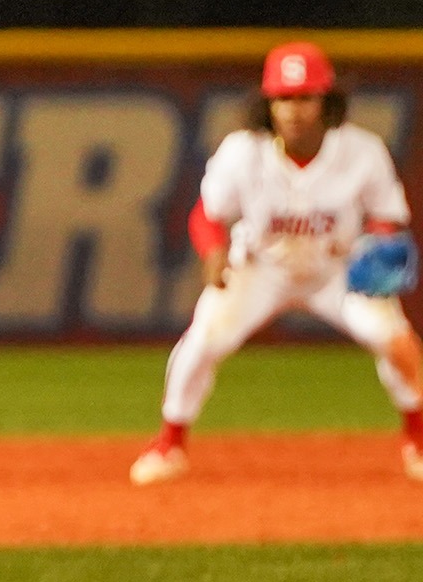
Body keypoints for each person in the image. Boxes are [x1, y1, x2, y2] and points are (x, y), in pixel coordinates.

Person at [132, 40, 423, 485]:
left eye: (305, 96)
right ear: (267, 104)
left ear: (326, 101)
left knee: (396, 341)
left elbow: (389, 218)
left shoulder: (361, 151)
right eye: (283, 98)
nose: (294, 109)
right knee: (203, 341)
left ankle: (417, 443)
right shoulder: (241, 152)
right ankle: (170, 444)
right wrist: (212, 252)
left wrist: (379, 249)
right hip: (261, 269)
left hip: (336, 271)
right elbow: (207, 216)